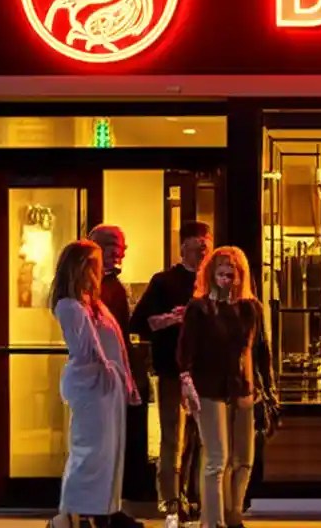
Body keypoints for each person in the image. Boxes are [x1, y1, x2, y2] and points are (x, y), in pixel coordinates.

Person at [178, 246, 275, 528]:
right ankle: (213, 521)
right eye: (221, 270)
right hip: (208, 388)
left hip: (243, 387)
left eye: (232, 271)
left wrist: (269, 388)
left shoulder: (250, 308)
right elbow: (185, 350)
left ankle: (233, 515)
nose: (227, 276)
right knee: (216, 459)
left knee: (244, 459)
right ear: (210, 273)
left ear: (240, 275)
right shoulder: (199, 308)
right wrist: (186, 384)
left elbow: (261, 350)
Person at [48, 240, 143, 528]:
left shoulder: (94, 303)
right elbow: (84, 349)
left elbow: (115, 345)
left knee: (108, 451)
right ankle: (71, 514)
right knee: (89, 449)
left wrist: (124, 380)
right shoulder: (71, 306)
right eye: (96, 265)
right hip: (92, 385)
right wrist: (105, 370)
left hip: (106, 384)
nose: (101, 271)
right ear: (82, 268)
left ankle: (102, 509)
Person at [131, 221, 213, 524]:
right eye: (197, 243)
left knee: (204, 438)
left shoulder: (214, 282)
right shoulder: (164, 281)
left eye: (207, 242)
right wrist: (172, 318)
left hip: (207, 374)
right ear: (183, 247)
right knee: (172, 437)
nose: (203, 249)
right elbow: (140, 323)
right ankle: (170, 501)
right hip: (172, 371)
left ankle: (199, 498)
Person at [88, 224, 154, 513]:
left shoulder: (113, 285)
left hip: (125, 372)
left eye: (122, 247)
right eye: (114, 246)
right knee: (105, 443)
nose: (120, 253)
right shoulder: (89, 288)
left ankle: (119, 502)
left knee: (127, 439)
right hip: (106, 375)